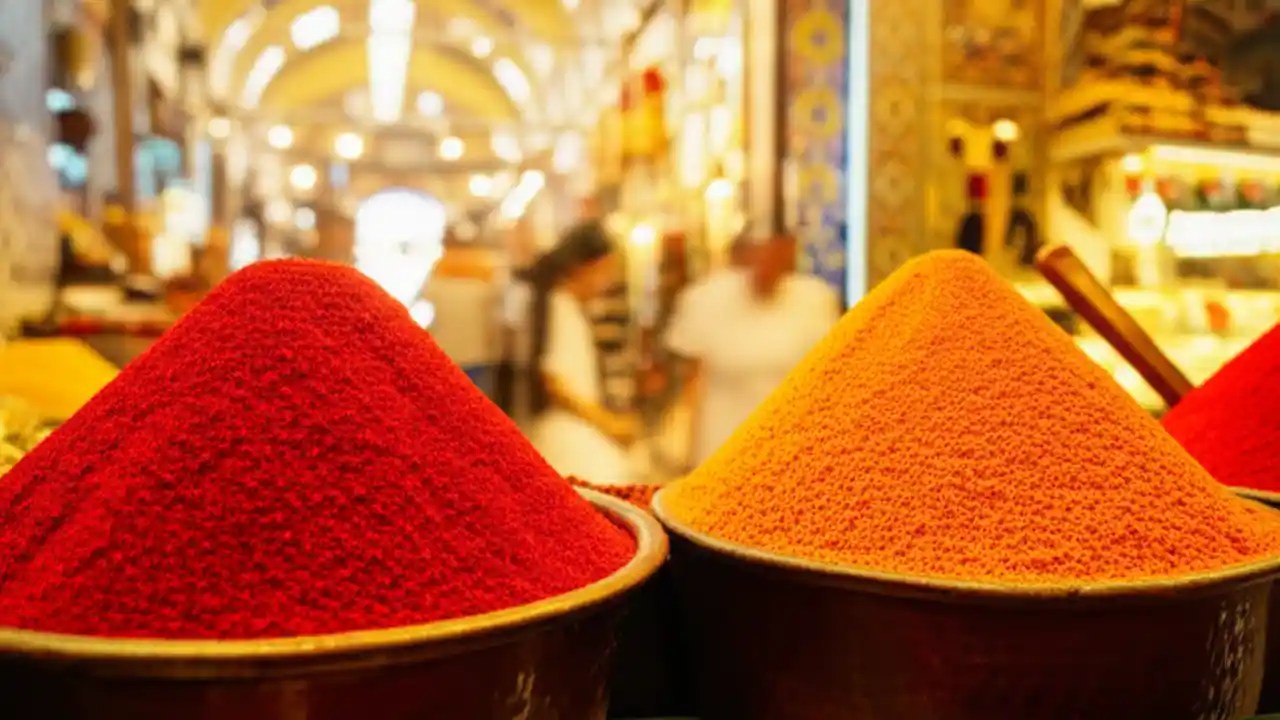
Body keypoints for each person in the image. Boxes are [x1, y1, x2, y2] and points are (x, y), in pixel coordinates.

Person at [665, 232, 841, 469]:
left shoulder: (816, 300)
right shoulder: (705, 299)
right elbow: (692, 382)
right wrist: (683, 449)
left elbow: (829, 380)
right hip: (720, 445)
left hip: (790, 448)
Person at [527, 221, 638, 484]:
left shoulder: (568, 306)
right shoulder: (560, 306)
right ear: (583, 268)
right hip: (566, 431)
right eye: (605, 270)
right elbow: (555, 382)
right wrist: (608, 423)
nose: (607, 281)